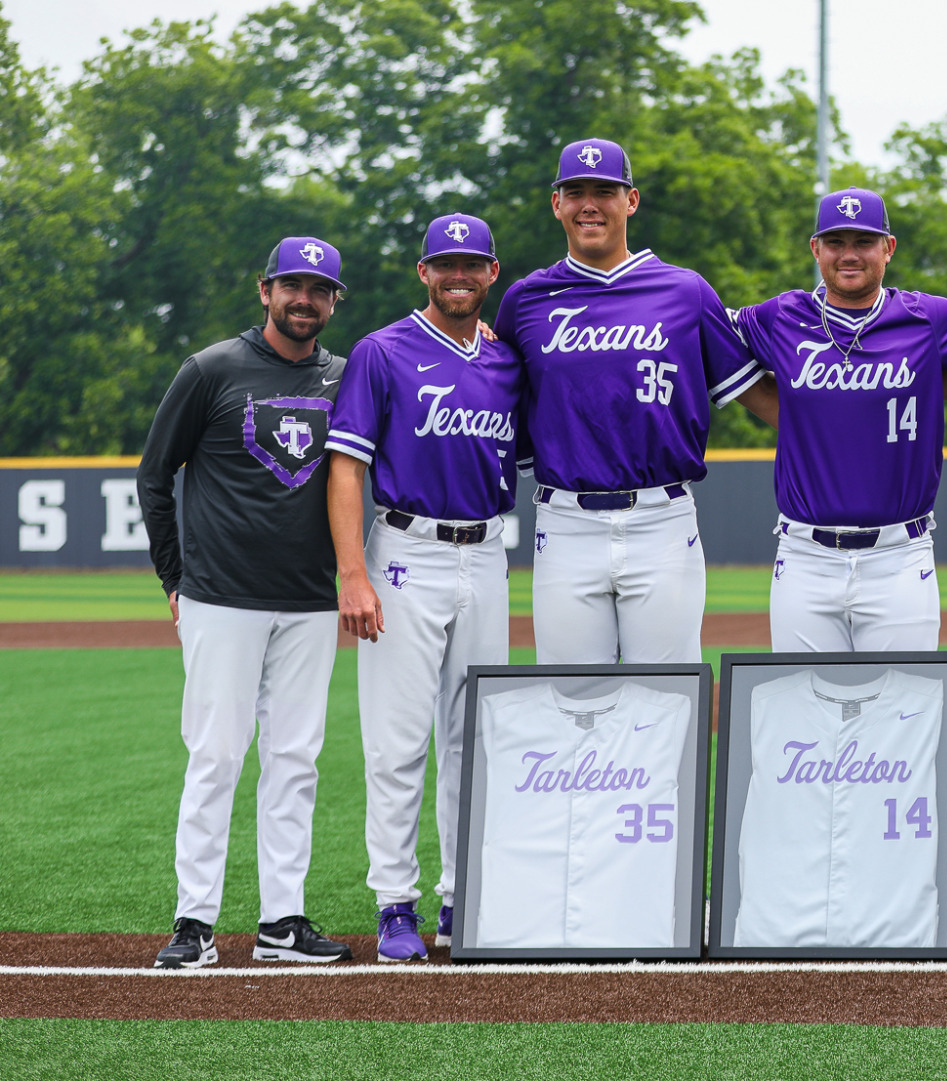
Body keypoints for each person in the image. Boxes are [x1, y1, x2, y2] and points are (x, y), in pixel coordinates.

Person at [136, 238, 357, 968]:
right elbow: (154, 476)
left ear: (334, 301)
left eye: (319, 289)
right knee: (217, 755)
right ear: (265, 289)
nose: (305, 299)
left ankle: (281, 921)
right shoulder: (211, 369)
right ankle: (194, 921)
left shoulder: (345, 378)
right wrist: (175, 578)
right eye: (292, 285)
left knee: (295, 759)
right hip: (220, 598)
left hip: (308, 601)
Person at [324, 214, 524, 960]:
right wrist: (354, 574)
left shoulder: (508, 362)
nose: (458, 276)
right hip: (405, 552)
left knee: (475, 738)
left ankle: (460, 897)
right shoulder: (383, 352)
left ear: (492, 273)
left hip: (487, 552)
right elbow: (345, 467)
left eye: (472, 264)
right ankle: (395, 903)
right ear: (424, 273)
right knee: (397, 740)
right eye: (445, 264)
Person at [492, 139, 773, 665]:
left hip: (661, 521)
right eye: (575, 192)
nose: (589, 204)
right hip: (565, 520)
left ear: (632, 200)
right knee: (574, 703)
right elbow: (492, 387)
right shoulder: (525, 299)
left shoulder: (686, 292)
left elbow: (758, 395)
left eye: (605, 191)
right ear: (557, 204)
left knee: (668, 698)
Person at [728, 188, 947, 650]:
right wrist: (783, 409)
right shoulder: (781, 316)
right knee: (805, 704)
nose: (849, 255)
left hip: (901, 552)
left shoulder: (928, 317)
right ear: (815, 249)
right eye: (835, 242)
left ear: (888, 249)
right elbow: (699, 326)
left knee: (904, 709)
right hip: (804, 554)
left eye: (864, 241)